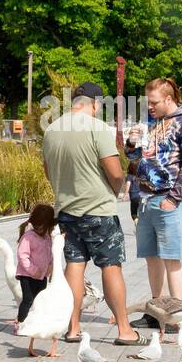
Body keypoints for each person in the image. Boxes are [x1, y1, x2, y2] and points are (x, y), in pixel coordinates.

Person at [41, 82, 138, 346]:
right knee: (110, 266)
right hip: (98, 211)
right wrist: (116, 190)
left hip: (66, 211)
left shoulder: (51, 130)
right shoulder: (98, 128)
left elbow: (48, 171)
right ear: (95, 104)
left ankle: (72, 328)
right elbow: (116, 172)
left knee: (75, 266)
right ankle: (124, 330)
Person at [131, 77, 182, 333]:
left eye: (154, 102)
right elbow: (135, 158)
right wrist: (131, 144)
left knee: (172, 257)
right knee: (151, 257)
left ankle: (175, 316)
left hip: (167, 198)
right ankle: (155, 311)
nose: (149, 107)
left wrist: (174, 198)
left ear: (169, 99)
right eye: (147, 102)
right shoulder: (151, 123)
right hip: (146, 198)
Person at [14, 203, 55, 325]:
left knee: (40, 300)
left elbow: (49, 253)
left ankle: (36, 322)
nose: (42, 231)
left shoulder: (47, 237)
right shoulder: (28, 237)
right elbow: (22, 256)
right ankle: (20, 323)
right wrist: (32, 270)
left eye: (45, 228)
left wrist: (51, 266)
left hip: (42, 276)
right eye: (40, 228)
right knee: (28, 300)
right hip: (27, 276)